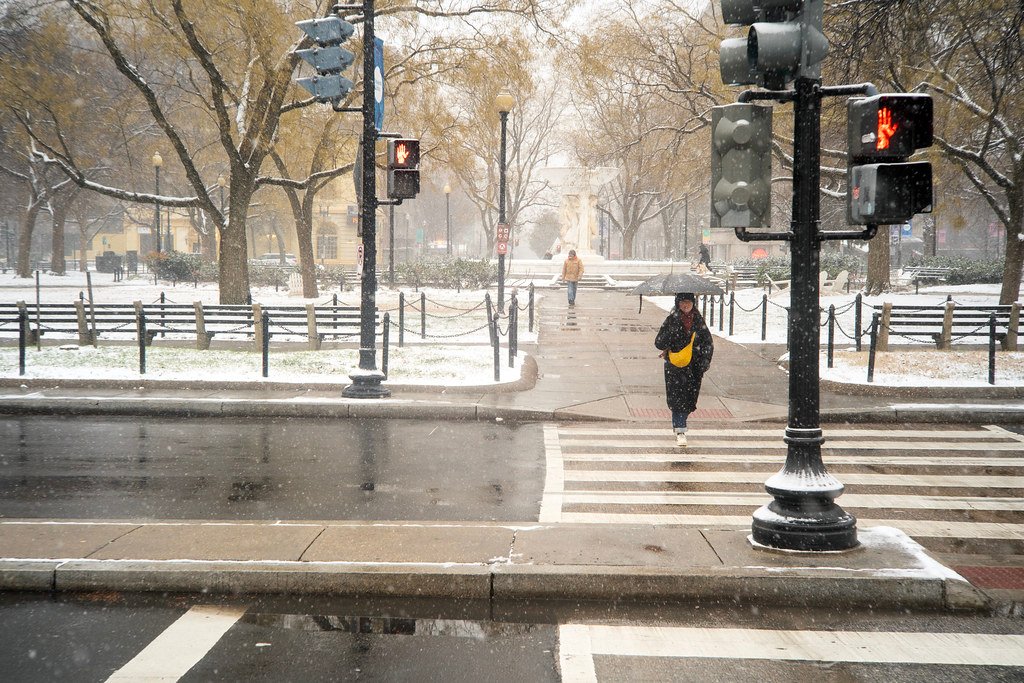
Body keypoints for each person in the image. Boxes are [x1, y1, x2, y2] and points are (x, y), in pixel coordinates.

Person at [654, 292, 714, 447]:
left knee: (689, 400)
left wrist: (704, 361)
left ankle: (681, 422)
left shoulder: (698, 321)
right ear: (678, 304)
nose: (685, 305)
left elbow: (708, 342)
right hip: (675, 367)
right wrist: (670, 332)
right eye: (682, 302)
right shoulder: (671, 320)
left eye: (688, 302)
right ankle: (680, 430)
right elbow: (659, 343)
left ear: (693, 303)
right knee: (677, 399)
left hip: (694, 367)